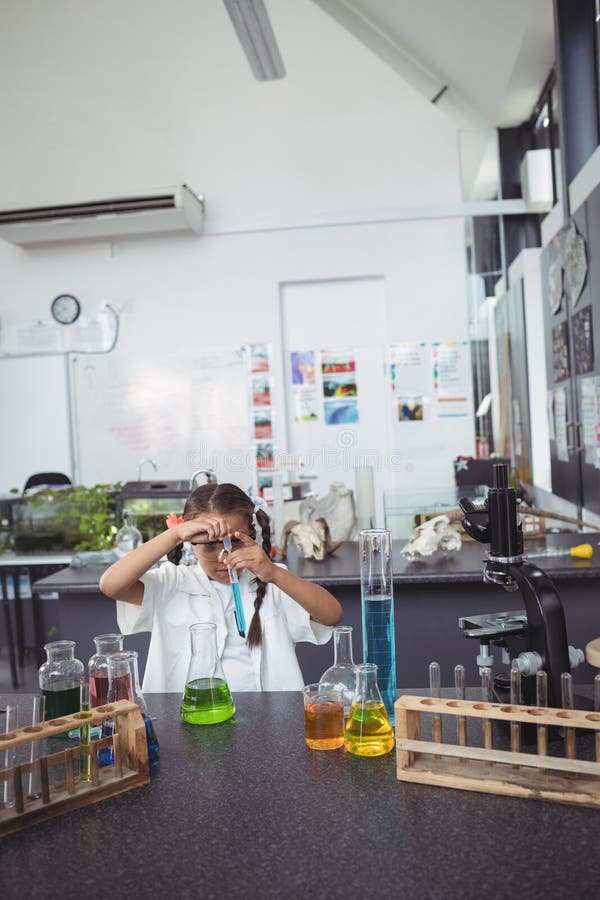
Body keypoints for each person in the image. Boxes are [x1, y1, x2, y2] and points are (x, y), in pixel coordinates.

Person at [99, 483, 342, 693]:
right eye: (209, 545)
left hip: (266, 720)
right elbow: (111, 585)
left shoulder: (271, 581)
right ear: (190, 543)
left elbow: (332, 615)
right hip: (187, 723)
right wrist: (173, 535)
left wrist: (274, 573)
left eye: (234, 541)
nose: (224, 556)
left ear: (251, 535)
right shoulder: (170, 583)